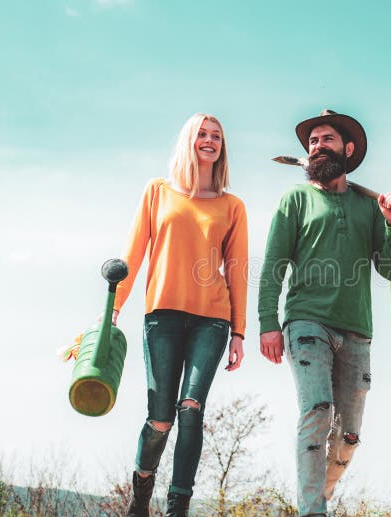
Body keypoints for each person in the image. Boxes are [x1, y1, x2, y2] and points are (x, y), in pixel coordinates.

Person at [259, 109, 391, 517]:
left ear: (349, 149)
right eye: (312, 142)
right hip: (306, 322)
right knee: (317, 410)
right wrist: (267, 324)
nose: (318, 146)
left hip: (357, 330)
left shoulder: (367, 205)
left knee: (349, 437)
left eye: (326, 140)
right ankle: (312, 512)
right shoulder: (296, 198)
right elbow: (273, 265)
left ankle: (316, 496)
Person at [112, 113, 248, 517]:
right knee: (161, 418)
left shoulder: (232, 206)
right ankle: (141, 490)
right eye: (202, 134)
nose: (209, 141)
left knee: (191, 408)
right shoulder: (158, 192)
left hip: (212, 320)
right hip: (162, 318)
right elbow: (132, 254)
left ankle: (178, 506)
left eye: (217, 136)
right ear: (189, 140)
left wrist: (239, 332)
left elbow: (237, 271)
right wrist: (114, 308)